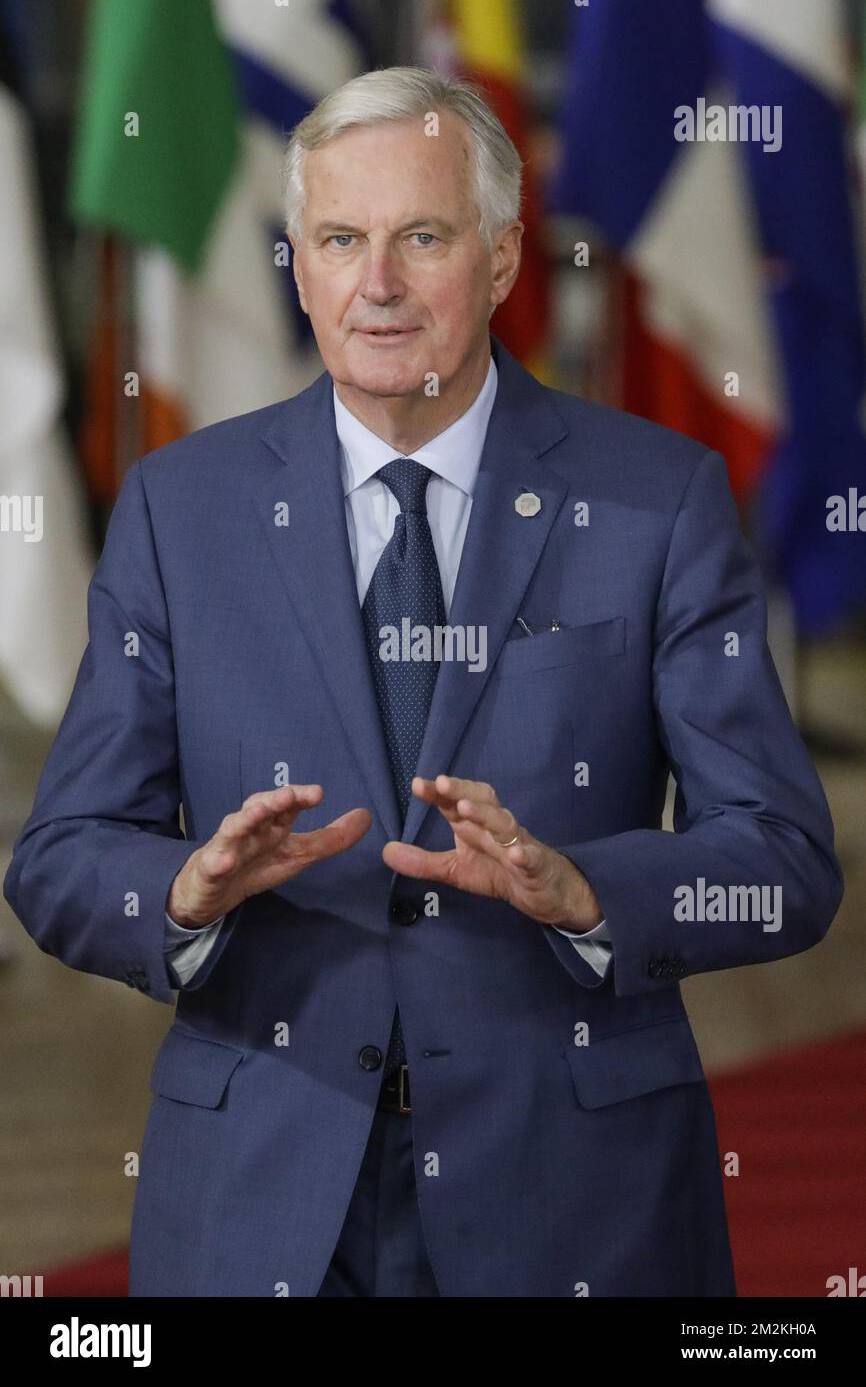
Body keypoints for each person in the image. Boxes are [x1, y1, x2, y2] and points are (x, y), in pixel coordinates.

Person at [4, 67, 842, 1298]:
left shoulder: (654, 501)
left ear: (501, 260)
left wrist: (585, 888)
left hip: (575, 1198)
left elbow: (783, 862)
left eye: (421, 238)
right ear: (295, 260)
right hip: (261, 1196)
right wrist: (180, 891)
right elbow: (60, 854)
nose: (377, 284)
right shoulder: (182, 510)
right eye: (340, 239)